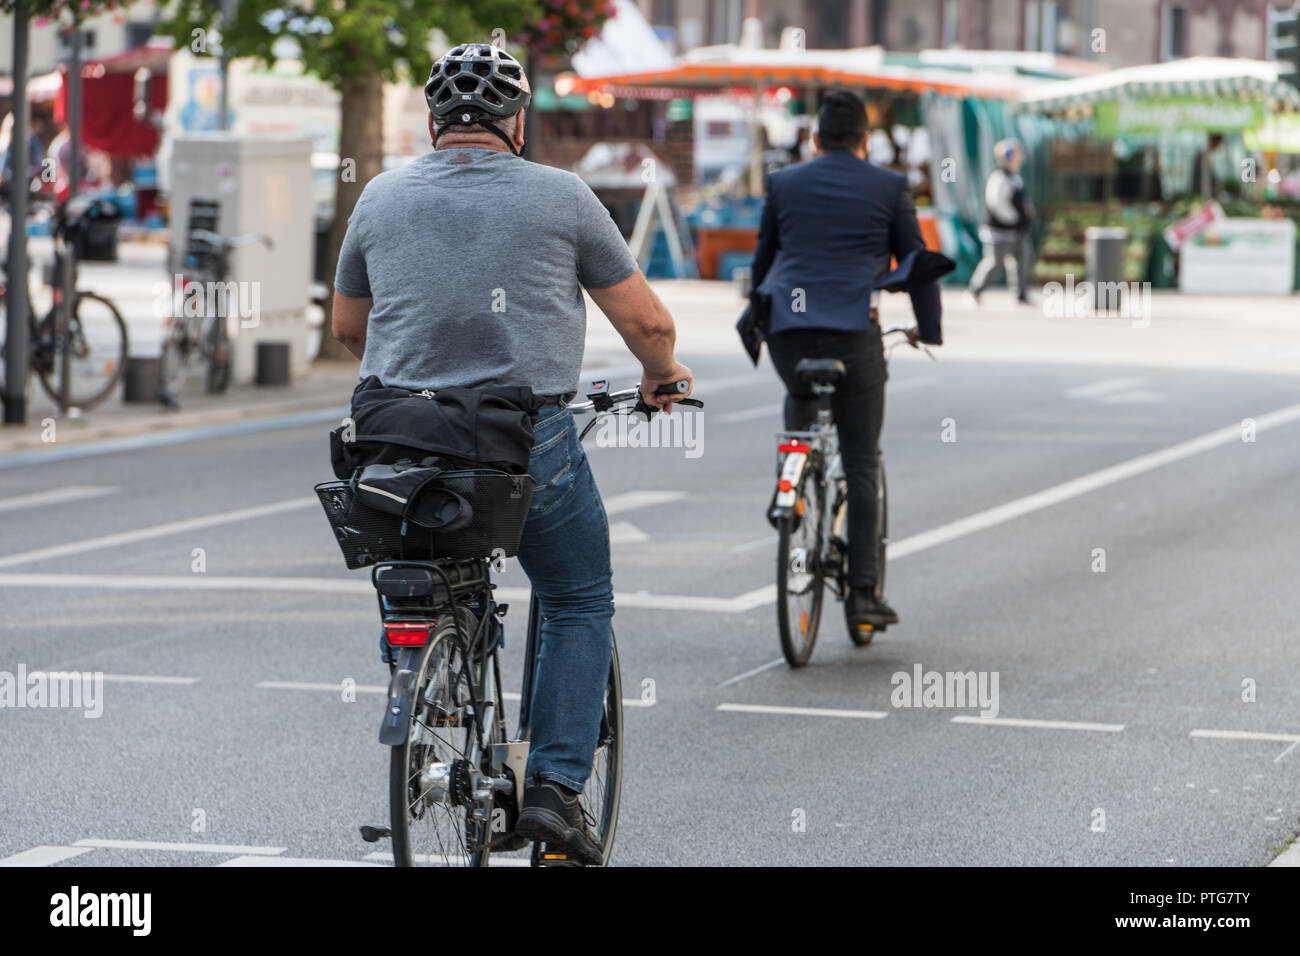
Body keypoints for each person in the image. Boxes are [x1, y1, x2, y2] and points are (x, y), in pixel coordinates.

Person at [330, 43, 692, 863]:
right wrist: (662, 376)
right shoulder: (560, 196)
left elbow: (351, 330)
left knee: (419, 553)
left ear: (432, 124)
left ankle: (432, 678)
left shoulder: (381, 196)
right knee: (574, 593)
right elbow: (649, 326)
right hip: (525, 437)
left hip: (396, 442)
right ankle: (558, 794)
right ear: (517, 123)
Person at [750, 89, 942, 630]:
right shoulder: (889, 185)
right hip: (855, 332)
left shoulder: (784, 183)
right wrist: (929, 328)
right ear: (865, 139)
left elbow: (763, 264)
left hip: (790, 331)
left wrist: (759, 321)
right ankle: (862, 594)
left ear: (814, 138)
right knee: (860, 461)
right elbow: (917, 261)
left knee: (800, 398)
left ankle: (791, 474)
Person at [966, 138, 1033, 306]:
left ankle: (1021, 294)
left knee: (1021, 261)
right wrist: (1014, 218)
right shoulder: (998, 177)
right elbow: (997, 203)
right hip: (999, 231)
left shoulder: (1016, 177)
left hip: (1017, 230)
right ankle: (975, 291)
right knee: (993, 263)